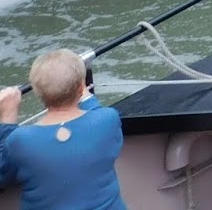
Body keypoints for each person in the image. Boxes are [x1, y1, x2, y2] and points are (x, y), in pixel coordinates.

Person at [0, 49, 127, 210]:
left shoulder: (20, 139)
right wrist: (79, 87)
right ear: (81, 88)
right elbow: (95, 111)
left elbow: (2, 174)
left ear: (38, 93)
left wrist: (7, 118)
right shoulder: (108, 119)